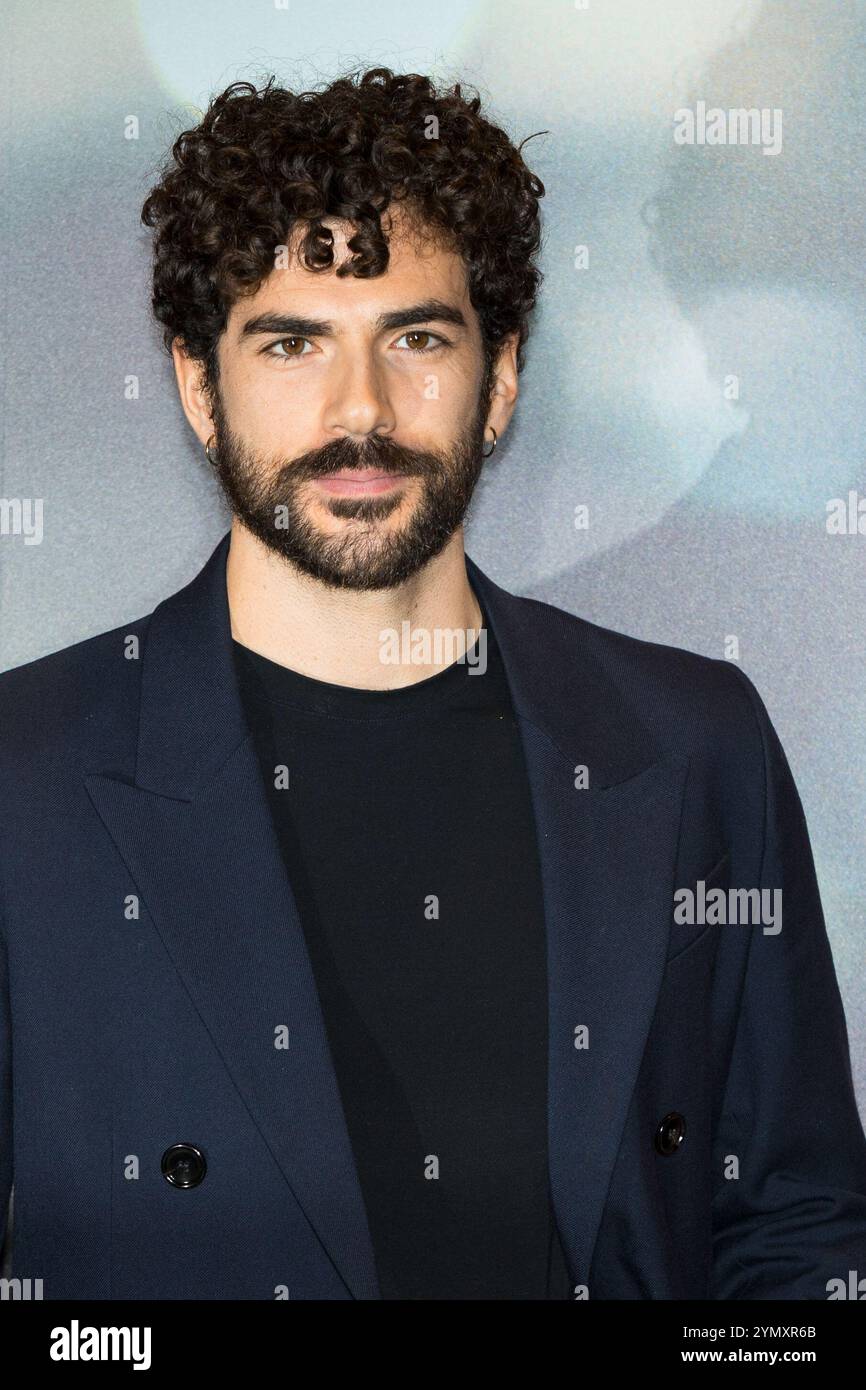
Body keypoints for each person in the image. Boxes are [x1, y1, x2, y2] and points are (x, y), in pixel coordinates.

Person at [1, 67, 865, 1301]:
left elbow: (796, 1223)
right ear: (199, 387)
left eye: (414, 337)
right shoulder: (26, 780)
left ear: (499, 375)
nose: (362, 412)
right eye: (292, 343)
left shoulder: (688, 744)